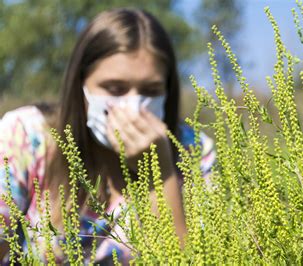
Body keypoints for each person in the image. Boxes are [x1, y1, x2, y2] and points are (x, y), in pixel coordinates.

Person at [0, 8, 216, 264]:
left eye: (150, 90)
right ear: (80, 84)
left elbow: (193, 258)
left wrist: (161, 174)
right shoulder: (26, 135)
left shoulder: (193, 152)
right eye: (115, 88)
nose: (133, 106)